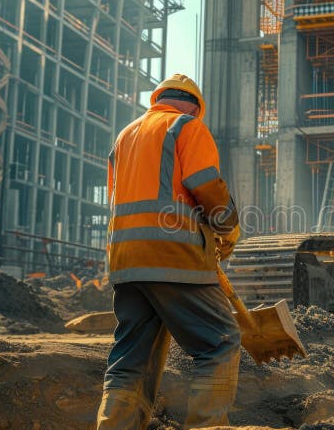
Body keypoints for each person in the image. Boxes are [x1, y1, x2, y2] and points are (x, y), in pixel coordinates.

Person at [96, 74, 242, 430]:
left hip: (126, 262)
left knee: (132, 358)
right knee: (220, 342)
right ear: (195, 107)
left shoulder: (125, 136)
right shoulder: (186, 127)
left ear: (158, 99)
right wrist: (227, 228)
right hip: (174, 257)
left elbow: (119, 197)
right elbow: (206, 186)